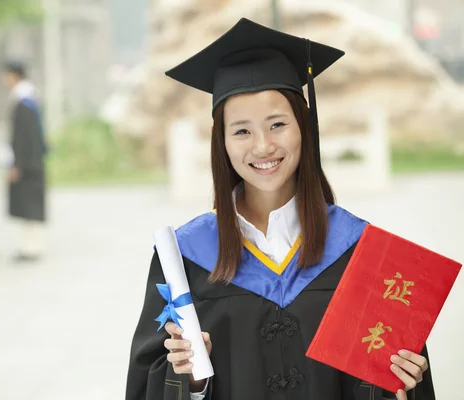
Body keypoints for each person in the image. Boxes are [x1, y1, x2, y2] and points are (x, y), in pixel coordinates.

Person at [125, 18, 435, 400]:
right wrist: (193, 380)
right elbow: (147, 386)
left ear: (304, 128)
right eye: (241, 131)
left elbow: (389, 382)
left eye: (277, 125)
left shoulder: (360, 250)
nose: (262, 147)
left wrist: (402, 387)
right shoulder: (184, 259)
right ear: (220, 142)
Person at [2, 61, 47, 262]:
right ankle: (31, 246)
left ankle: (31, 248)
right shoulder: (31, 98)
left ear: (14, 75)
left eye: (6, 75)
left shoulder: (23, 102)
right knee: (32, 205)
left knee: (30, 206)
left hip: (27, 164)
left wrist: (17, 165)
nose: (4, 80)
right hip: (34, 161)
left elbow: (22, 138)